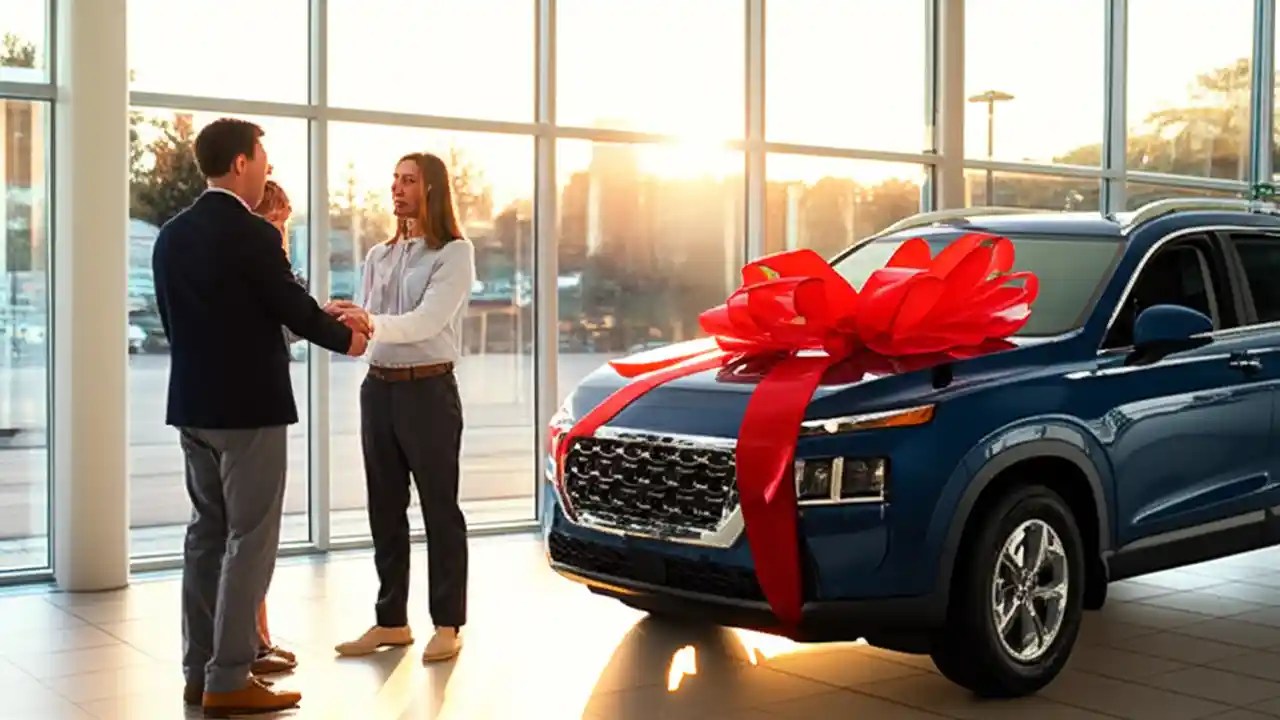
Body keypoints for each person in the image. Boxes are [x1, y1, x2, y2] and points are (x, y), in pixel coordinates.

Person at [152, 117, 368, 715]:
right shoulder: (252, 234)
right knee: (250, 541)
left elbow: (180, 321)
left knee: (205, 537)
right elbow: (292, 309)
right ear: (241, 163)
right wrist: (347, 339)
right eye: (263, 160)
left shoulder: (171, 236)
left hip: (192, 406)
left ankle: (198, 672)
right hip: (249, 410)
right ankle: (228, 679)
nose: (266, 170)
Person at [330, 152, 476, 664]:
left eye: (408, 180)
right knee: (384, 509)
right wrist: (340, 319)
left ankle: (448, 624)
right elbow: (369, 324)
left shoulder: (454, 253)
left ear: (431, 189)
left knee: (440, 509)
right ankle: (391, 621)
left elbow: (427, 321)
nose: (397, 188)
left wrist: (370, 321)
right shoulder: (378, 255)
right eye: (394, 179)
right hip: (379, 390)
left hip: (428, 392)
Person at [246, 179, 300, 676]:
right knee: (252, 538)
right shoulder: (259, 263)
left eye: (285, 222)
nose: (282, 231)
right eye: (275, 220)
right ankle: (252, 646)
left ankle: (257, 638)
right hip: (253, 412)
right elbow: (290, 322)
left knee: (241, 537)